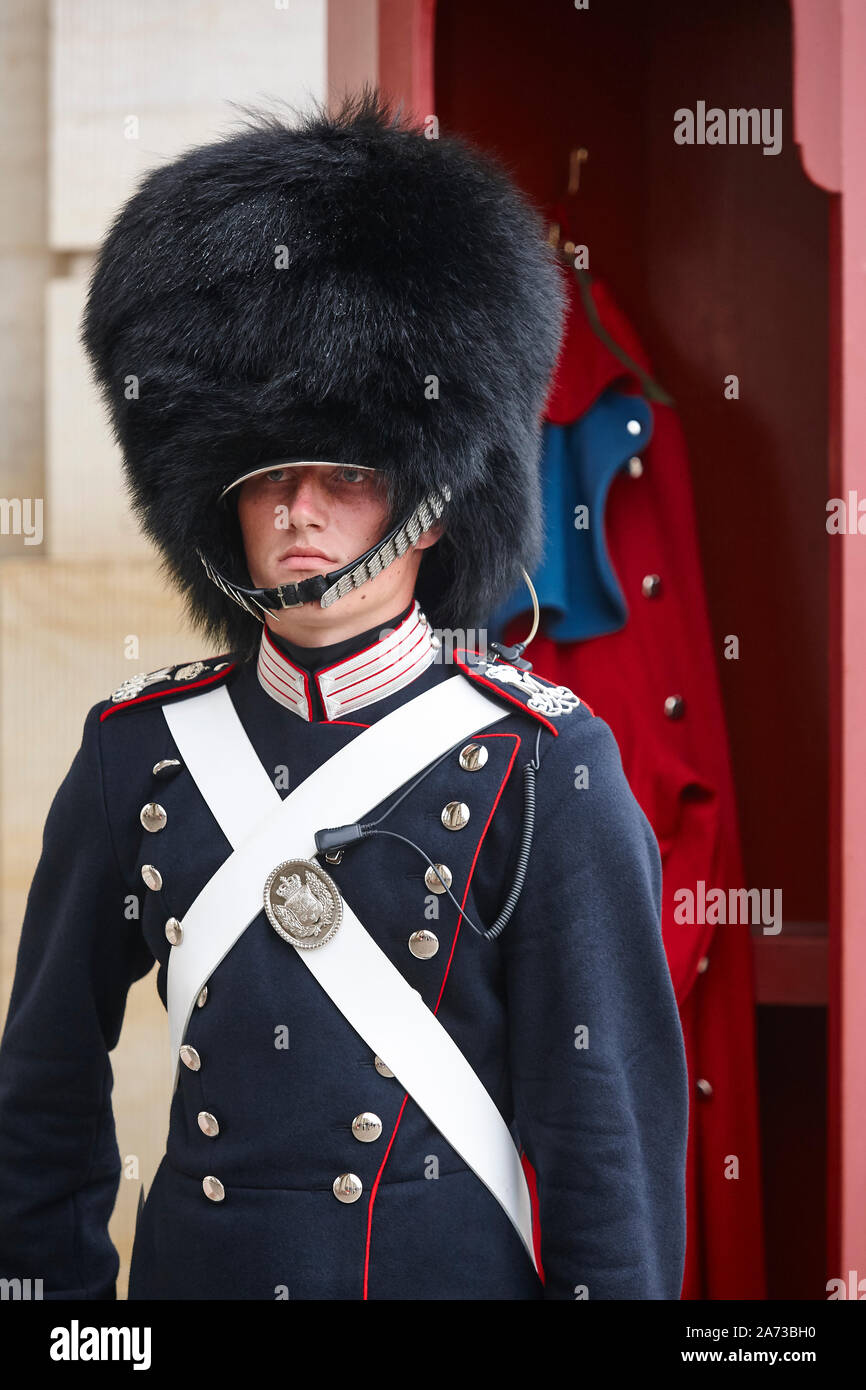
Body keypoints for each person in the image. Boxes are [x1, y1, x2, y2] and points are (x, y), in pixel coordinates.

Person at [0, 88, 688, 1301]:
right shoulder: (135, 757)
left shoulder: (544, 765)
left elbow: (604, 1149)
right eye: (264, 477)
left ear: (430, 502)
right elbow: (43, 1101)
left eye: (344, 475)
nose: (297, 511)